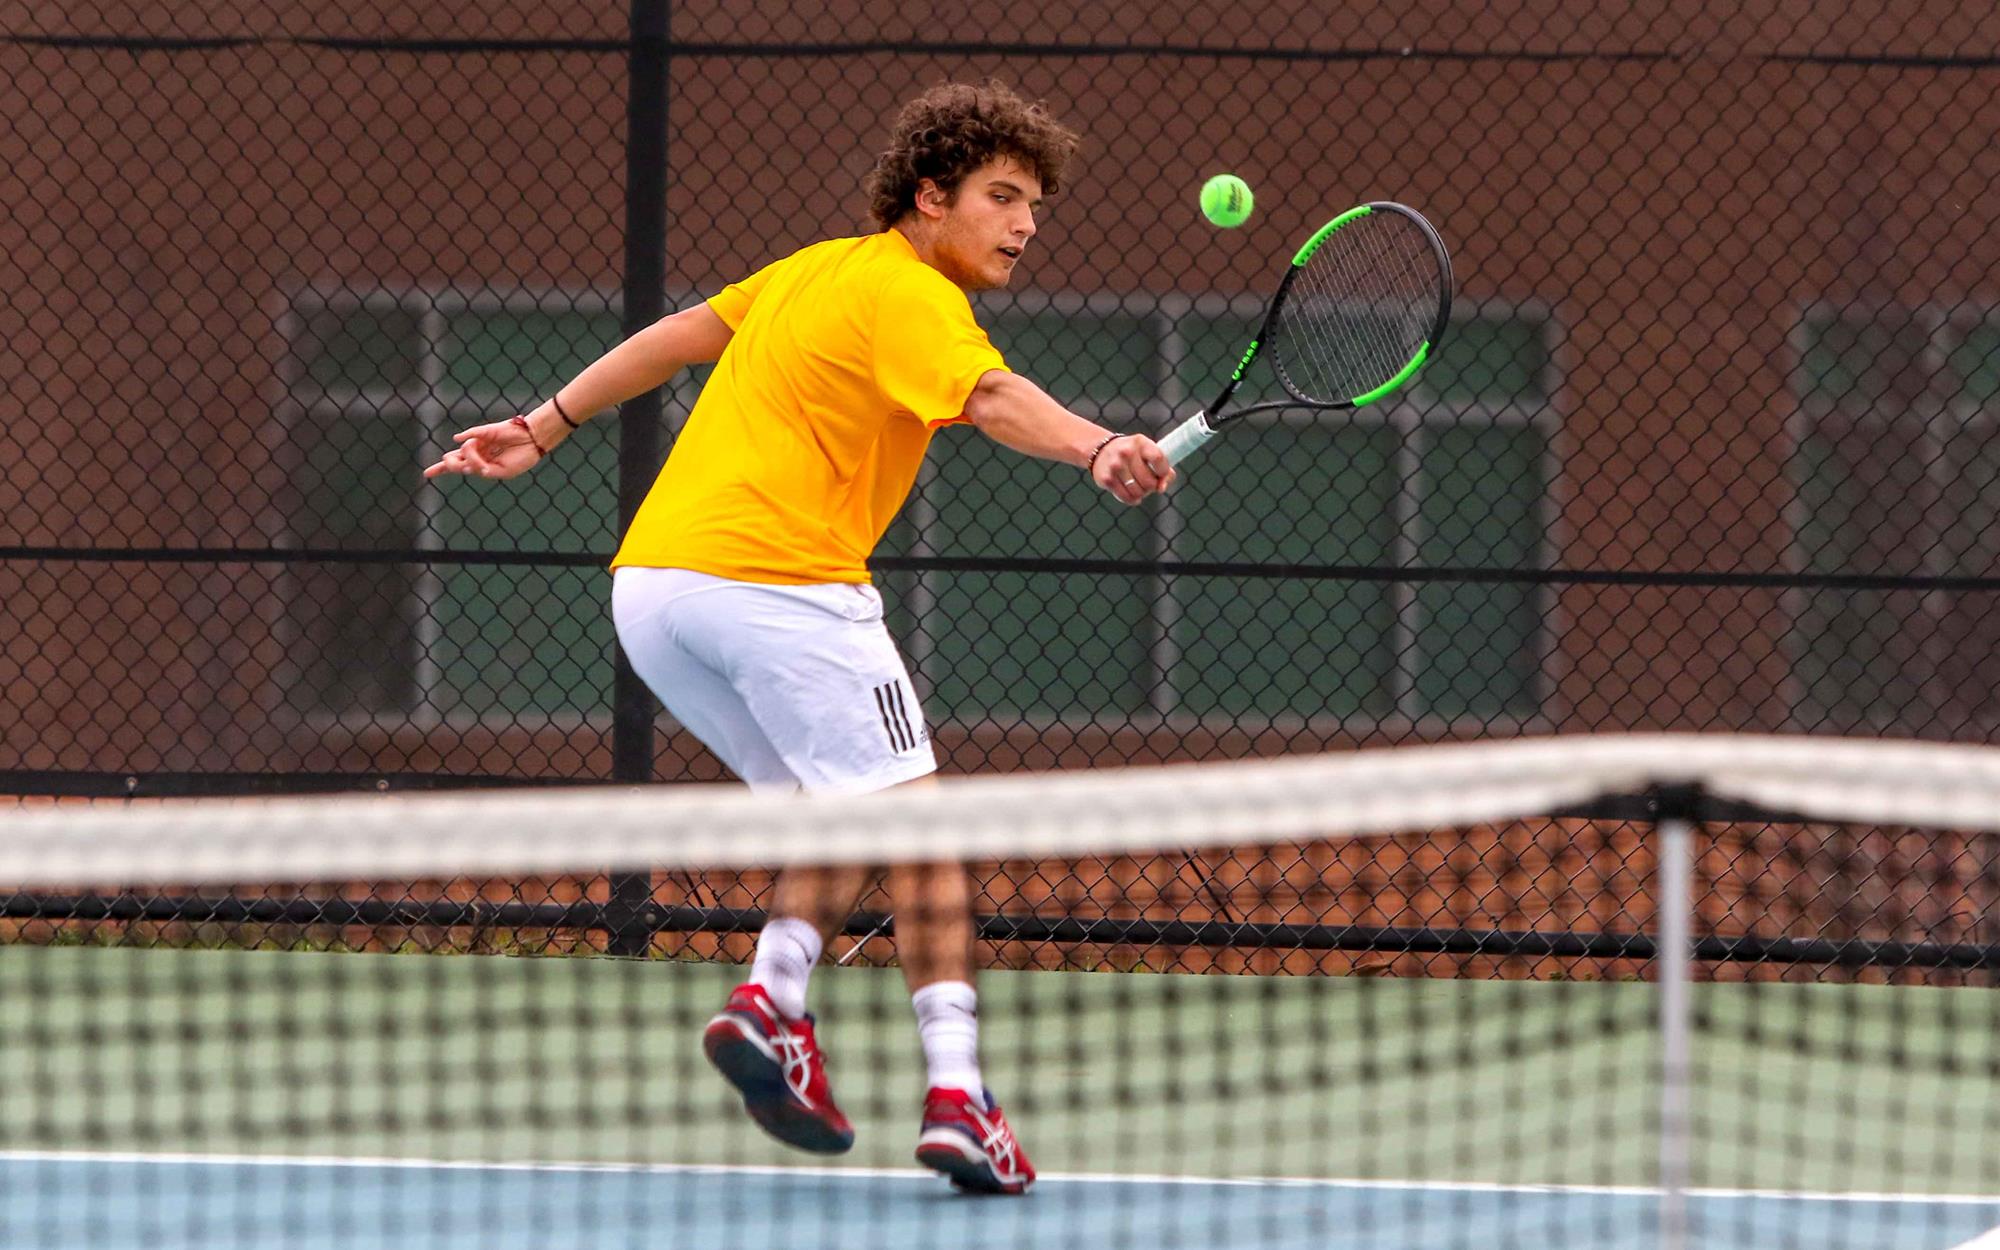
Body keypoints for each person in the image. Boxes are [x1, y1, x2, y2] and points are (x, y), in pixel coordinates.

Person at [423, 80, 1174, 1195]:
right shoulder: (913, 294)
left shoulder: (811, 268)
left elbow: (676, 337)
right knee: (921, 834)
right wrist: (1098, 444)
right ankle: (952, 1094)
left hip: (656, 590)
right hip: (780, 586)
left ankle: (777, 1002)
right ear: (931, 196)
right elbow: (991, 396)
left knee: (844, 811)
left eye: (1033, 205)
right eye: (1001, 196)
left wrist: (546, 423)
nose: (1024, 225)